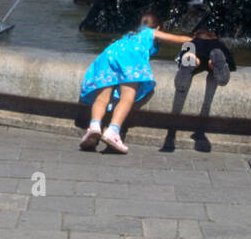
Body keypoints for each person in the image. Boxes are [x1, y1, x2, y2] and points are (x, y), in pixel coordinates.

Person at [78, 10, 190, 153]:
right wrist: (197, 41)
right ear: (158, 28)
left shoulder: (130, 34)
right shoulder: (151, 32)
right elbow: (178, 39)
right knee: (127, 97)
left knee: (102, 97)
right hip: (130, 59)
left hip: (109, 55)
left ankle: (94, 127)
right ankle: (113, 130)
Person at [173, 26, 236, 92]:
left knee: (192, 56)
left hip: (198, 42)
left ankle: (190, 59)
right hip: (216, 43)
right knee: (213, 61)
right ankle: (216, 63)